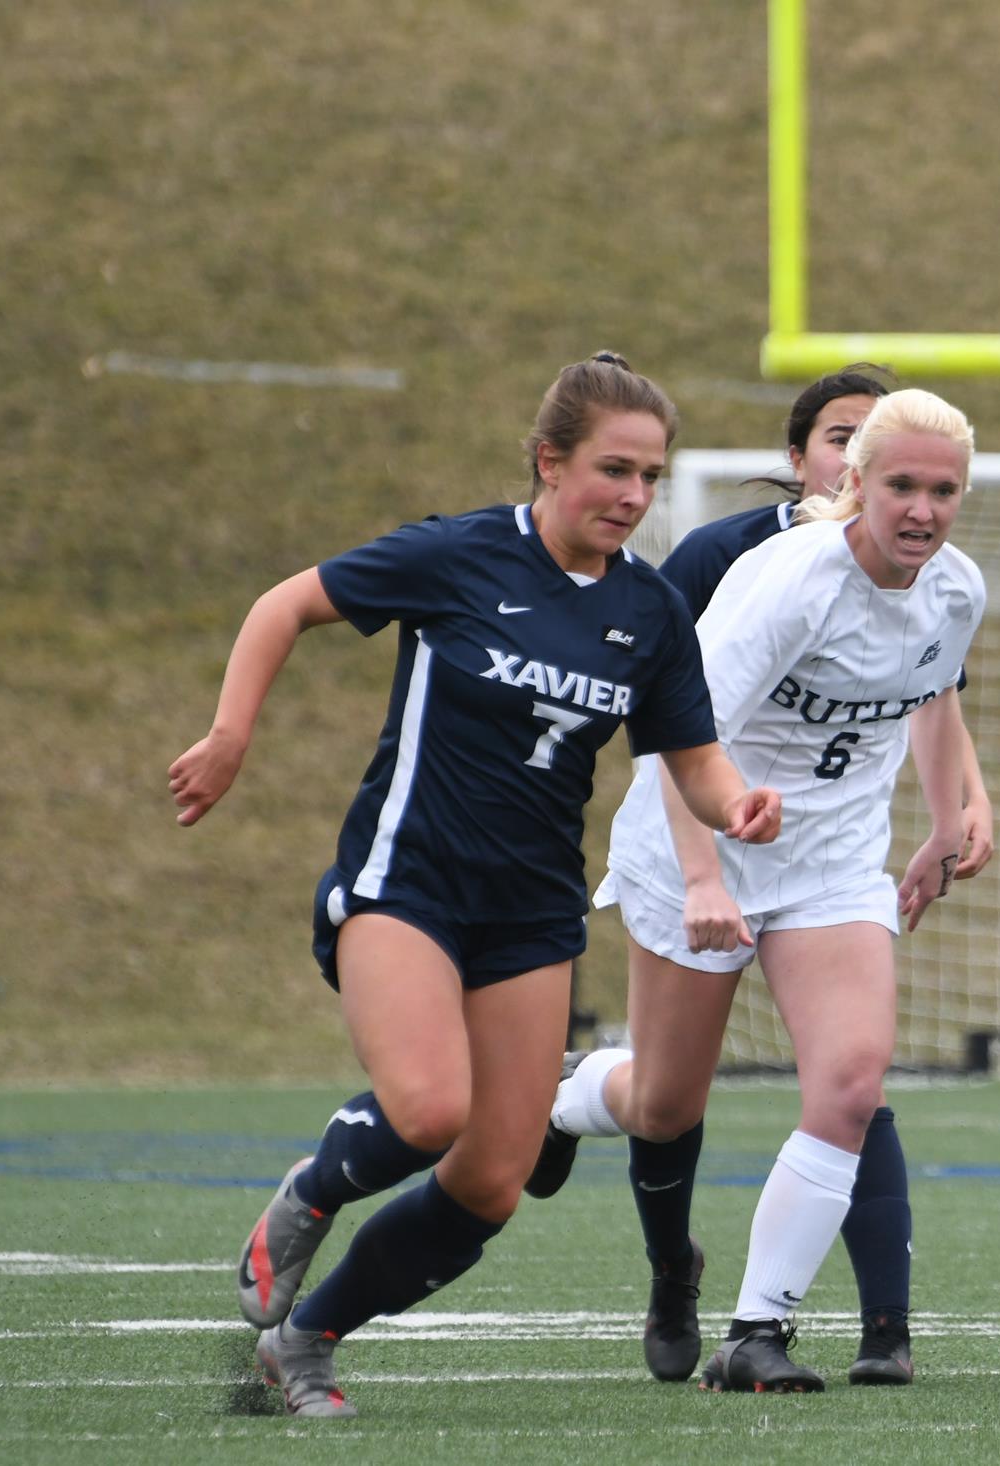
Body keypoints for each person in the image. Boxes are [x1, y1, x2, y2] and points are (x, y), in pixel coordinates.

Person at [167, 352, 781, 1418]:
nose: (634, 495)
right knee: (428, 1107)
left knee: (494, 1178)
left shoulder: (649, 610)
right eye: (613, 469)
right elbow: (283, 606)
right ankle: (311, 1193)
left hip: (531, 914)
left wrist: (738, 806)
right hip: (406, 882)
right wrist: (229, 735)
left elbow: (692, 755)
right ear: (549, 463)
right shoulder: (456, 554)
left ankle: (302, 1343)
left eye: (650, 474)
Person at [527, 368, 993, 1390]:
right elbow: (676, 734)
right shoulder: (791, 580)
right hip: (705, 845)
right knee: (662, 1100)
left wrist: (951, 814)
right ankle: (566, 1096)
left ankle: (756, 1330)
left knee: (850, 1083)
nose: (922, 510)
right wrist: (703, 878)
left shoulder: (958, 585)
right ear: (857, 482)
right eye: (902, 486)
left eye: (944, 491)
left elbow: (932, 697)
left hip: (829, 864)